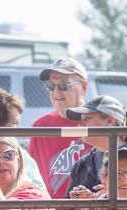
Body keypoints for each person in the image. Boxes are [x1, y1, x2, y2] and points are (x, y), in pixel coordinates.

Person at [28, 57, 92, 199]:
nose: (56, 92)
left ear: (84, 87)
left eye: (63, 85)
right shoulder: (40, 127)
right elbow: (31, 177)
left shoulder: (98, 122)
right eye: (51, 86)